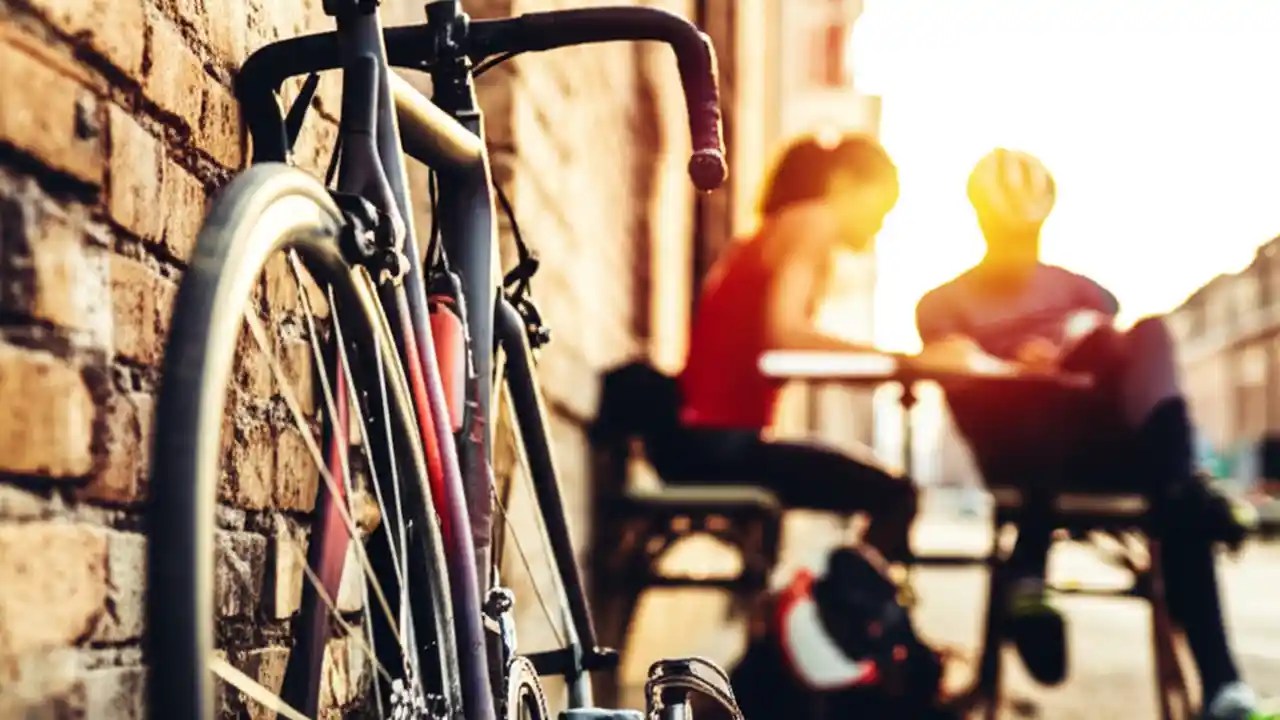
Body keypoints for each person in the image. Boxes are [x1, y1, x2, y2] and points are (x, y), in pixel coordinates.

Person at [916, 148, 1263, 719]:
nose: (1018, 246)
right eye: (1006, 232)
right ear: (979, 221)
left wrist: (1074, 354)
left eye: (1026, 233)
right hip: (1017, 447)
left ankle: (1222, 689)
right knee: (1178, 501)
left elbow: (1123, 371)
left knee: (1145, 337)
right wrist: (1011, 367)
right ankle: (1182, 498)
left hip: (1101, 447)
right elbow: (944, 367)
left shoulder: (1084, 292)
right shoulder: (942, 303)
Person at [650, 132, 918, 566]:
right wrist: (900, 362)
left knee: (877, 491)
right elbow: (786, 333)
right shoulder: (813, 222)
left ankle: (836, 595)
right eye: (882, 208)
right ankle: (851, 601)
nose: (880, 226)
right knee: (895, 495)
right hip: (718, 445)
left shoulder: (780, 227)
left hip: (705, 440)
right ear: (844, 183)